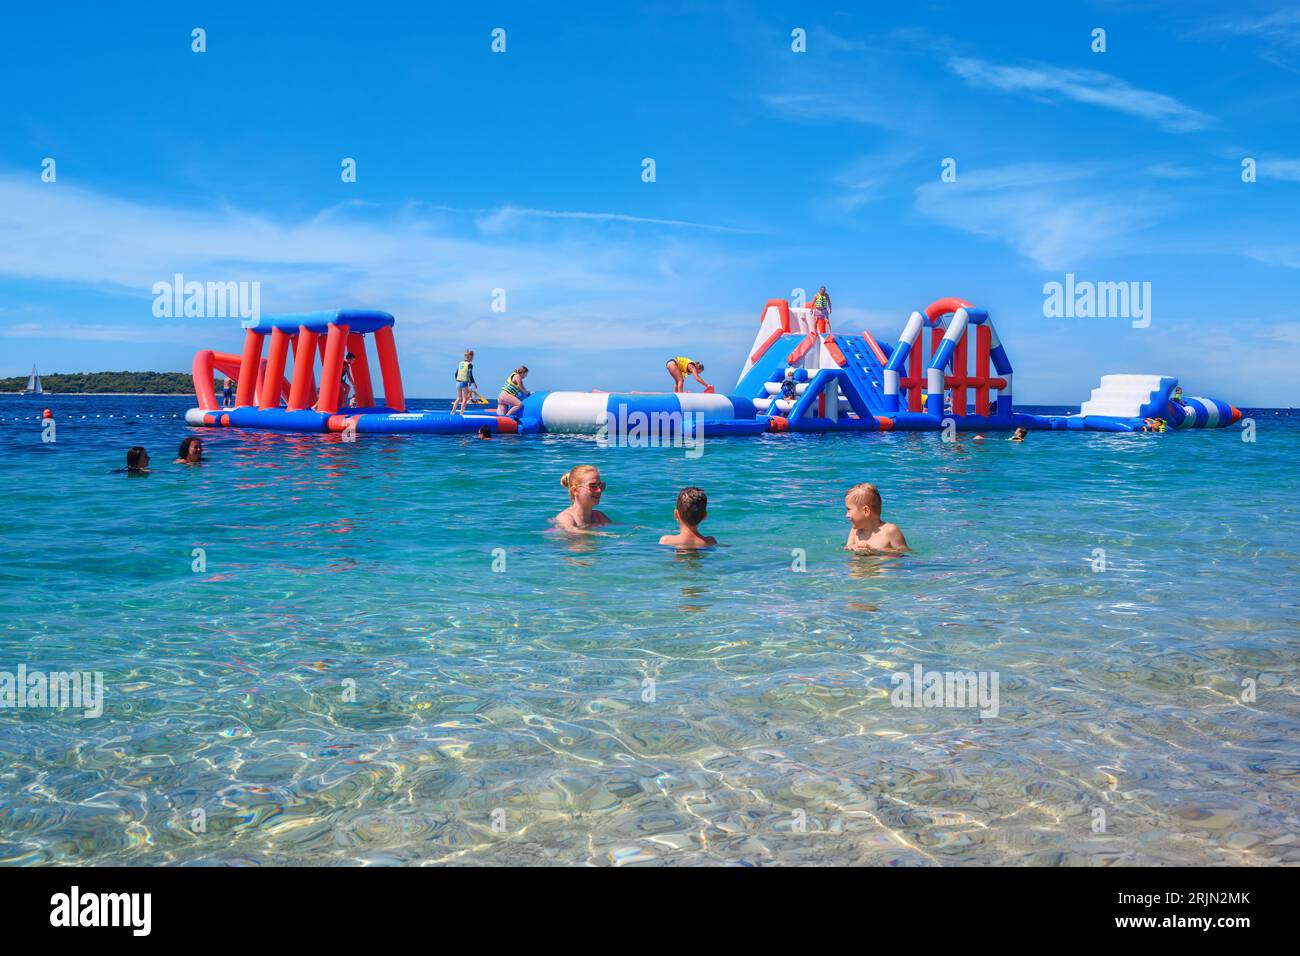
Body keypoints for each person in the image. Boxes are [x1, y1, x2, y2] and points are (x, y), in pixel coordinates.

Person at [843, 482, 908, 553]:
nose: (847, 515)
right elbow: (846, 548)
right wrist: (851, 547)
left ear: (866, 511)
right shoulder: (854, 531)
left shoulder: (890, 531)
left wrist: (874, 551)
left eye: (849, 509)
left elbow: (904, 553)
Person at [553, 464, 611, 531]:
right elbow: (573, 532)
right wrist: (607, 535)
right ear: (575, 490)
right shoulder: (566, 518)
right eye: (593, 486)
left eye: (600, 485)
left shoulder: (598, 516)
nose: (599, 490)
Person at [452, 349, 477, 414]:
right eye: (472, 357)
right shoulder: (470, 364)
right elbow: (470, 374)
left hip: (457, 382)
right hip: (463, 383)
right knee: (465, 399)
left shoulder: (460, 363)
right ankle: (461, 413)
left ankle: (452, 412)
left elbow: (456, 373)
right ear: (470, 357)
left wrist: (457, 380)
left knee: (458, 398)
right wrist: (474, 383)